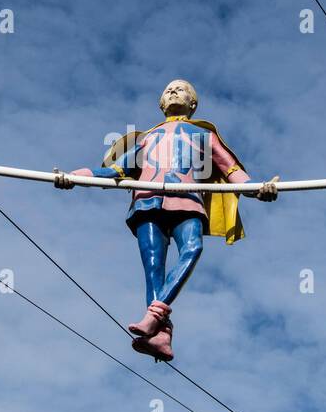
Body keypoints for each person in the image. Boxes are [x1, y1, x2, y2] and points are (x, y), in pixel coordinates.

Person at [55, 79, 278, 361]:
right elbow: (114, 170)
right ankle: (161, 333)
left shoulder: (203, 136)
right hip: (147, 200)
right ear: (161, 103)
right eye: (168, 90)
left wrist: (257, 189)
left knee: (193, 249)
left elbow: (230, 168)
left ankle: (155, 316)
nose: (173, 91)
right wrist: (75, 177)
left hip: (187, 200)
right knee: (153, 268)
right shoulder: (147, 137)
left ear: (192, 104)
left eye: (181, 89)